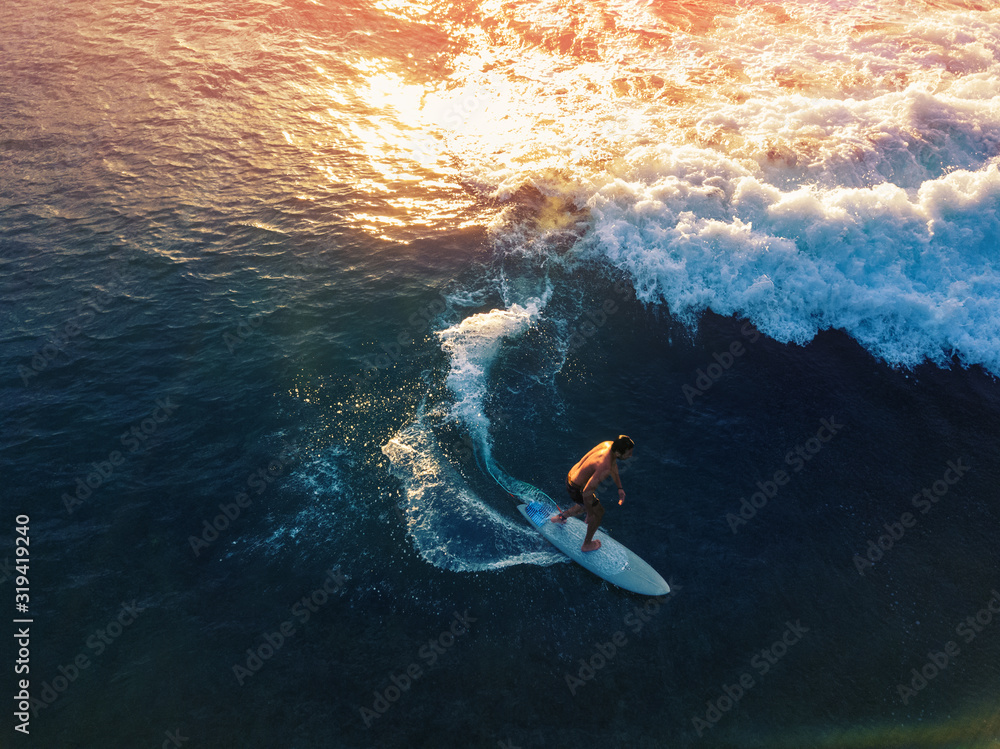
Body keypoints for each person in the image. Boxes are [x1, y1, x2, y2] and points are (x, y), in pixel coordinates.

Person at [551, 435, 634, 552]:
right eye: (628, 453)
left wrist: (620, 488)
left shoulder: (608, 444)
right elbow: (586, 493)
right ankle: (587, 544)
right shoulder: (605, 467)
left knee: (584, 506)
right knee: (598, 513)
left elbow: (613, 464)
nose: (630, 456)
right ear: (618, 453)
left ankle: (560, 517)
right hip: (577, 488)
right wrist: (590, 514)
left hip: (572, 475)